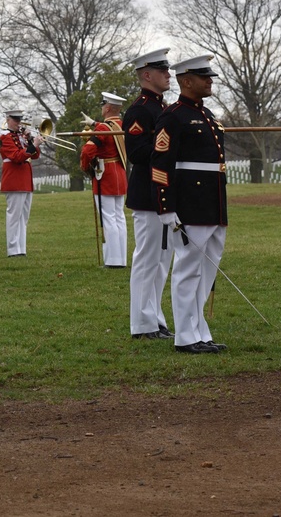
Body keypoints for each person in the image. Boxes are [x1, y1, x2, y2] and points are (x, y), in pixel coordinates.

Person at [151, 55, 228, 355]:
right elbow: (160, 165)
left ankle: (200, 331)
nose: (210, 80)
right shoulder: (173, 116)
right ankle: (185, 335)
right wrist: (166, 207)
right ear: (186, 81)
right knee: (187, 269)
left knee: (206, 272)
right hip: (190, 204)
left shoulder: (207, 115)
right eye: (203, 76)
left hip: (213, 204)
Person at [123, 47, 175, 340]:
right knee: (147, 259)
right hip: (147, 195)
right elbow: (137, 153)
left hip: (163, 195)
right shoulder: (140, 110)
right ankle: (142, 324)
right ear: (147, 75)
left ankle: (155, 319)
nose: (168, 75)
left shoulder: (162, 109)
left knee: (162, 260)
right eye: (162, 70)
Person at [80, 91, 129, 268]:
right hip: (119, 173)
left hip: (105, 174)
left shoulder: (103, 128)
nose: (102, 108)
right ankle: (121, 257)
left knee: (108, 218)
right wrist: (93, 123)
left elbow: (87, 151)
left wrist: (86, 167)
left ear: (107, 107)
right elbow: (107, 128)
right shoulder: (120, 124)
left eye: (103, 105)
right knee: (119, 217)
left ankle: (113, 260)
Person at [0, 109, 42, 257]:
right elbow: (16, 157)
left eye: (20, 119)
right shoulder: (5, 138)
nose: (19, 123)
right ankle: (12, 249)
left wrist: (31, 141)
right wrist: (32, 145)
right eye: (15, 120)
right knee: (14, 215)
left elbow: (35, 155)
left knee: (23, 217)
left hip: (25, 179)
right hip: (14, 179)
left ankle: (21, 248)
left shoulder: (21, 137)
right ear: (8, 120)